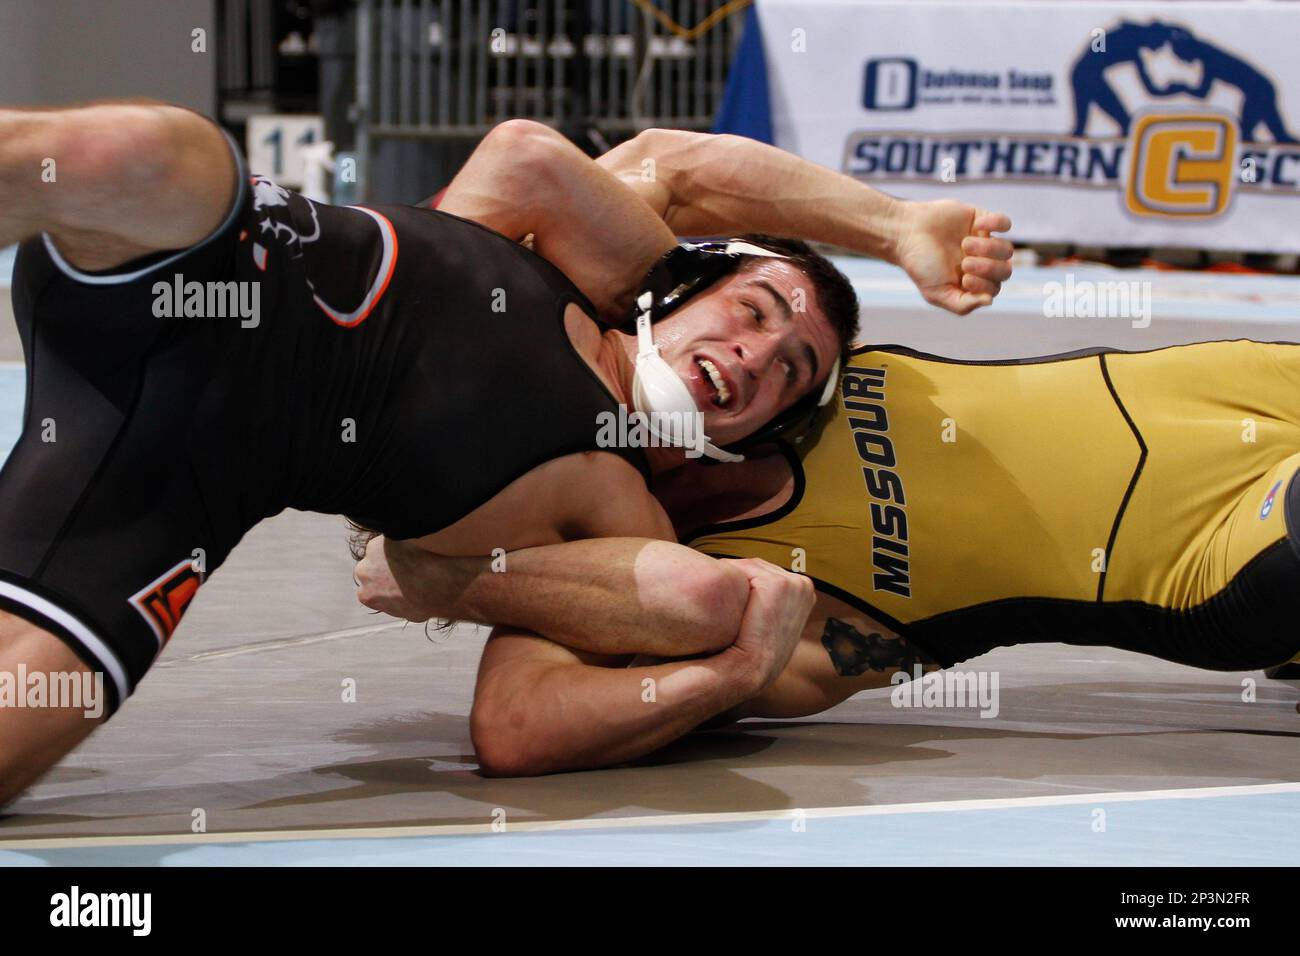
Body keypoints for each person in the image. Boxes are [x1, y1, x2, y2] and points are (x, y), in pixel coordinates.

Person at [0, 102, 1014, 804]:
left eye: (790, 372)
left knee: (26, 725)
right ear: (687, 281)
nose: (752, 358)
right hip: (215, 248)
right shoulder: (557, 242)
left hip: (163, 474)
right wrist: (897, 227)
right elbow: (680, 169)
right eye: (752, 311)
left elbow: (517, 724)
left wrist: (735, 670)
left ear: (759, 434)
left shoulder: (619, 523)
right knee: (138, 150)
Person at [359, 334, 1300, 775]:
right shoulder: (702, 601)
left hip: (1250, 384)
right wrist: (457, 580)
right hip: (1216, 552)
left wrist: (894, 230)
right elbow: (514, 730)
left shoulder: (725, 375)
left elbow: (583, 163)